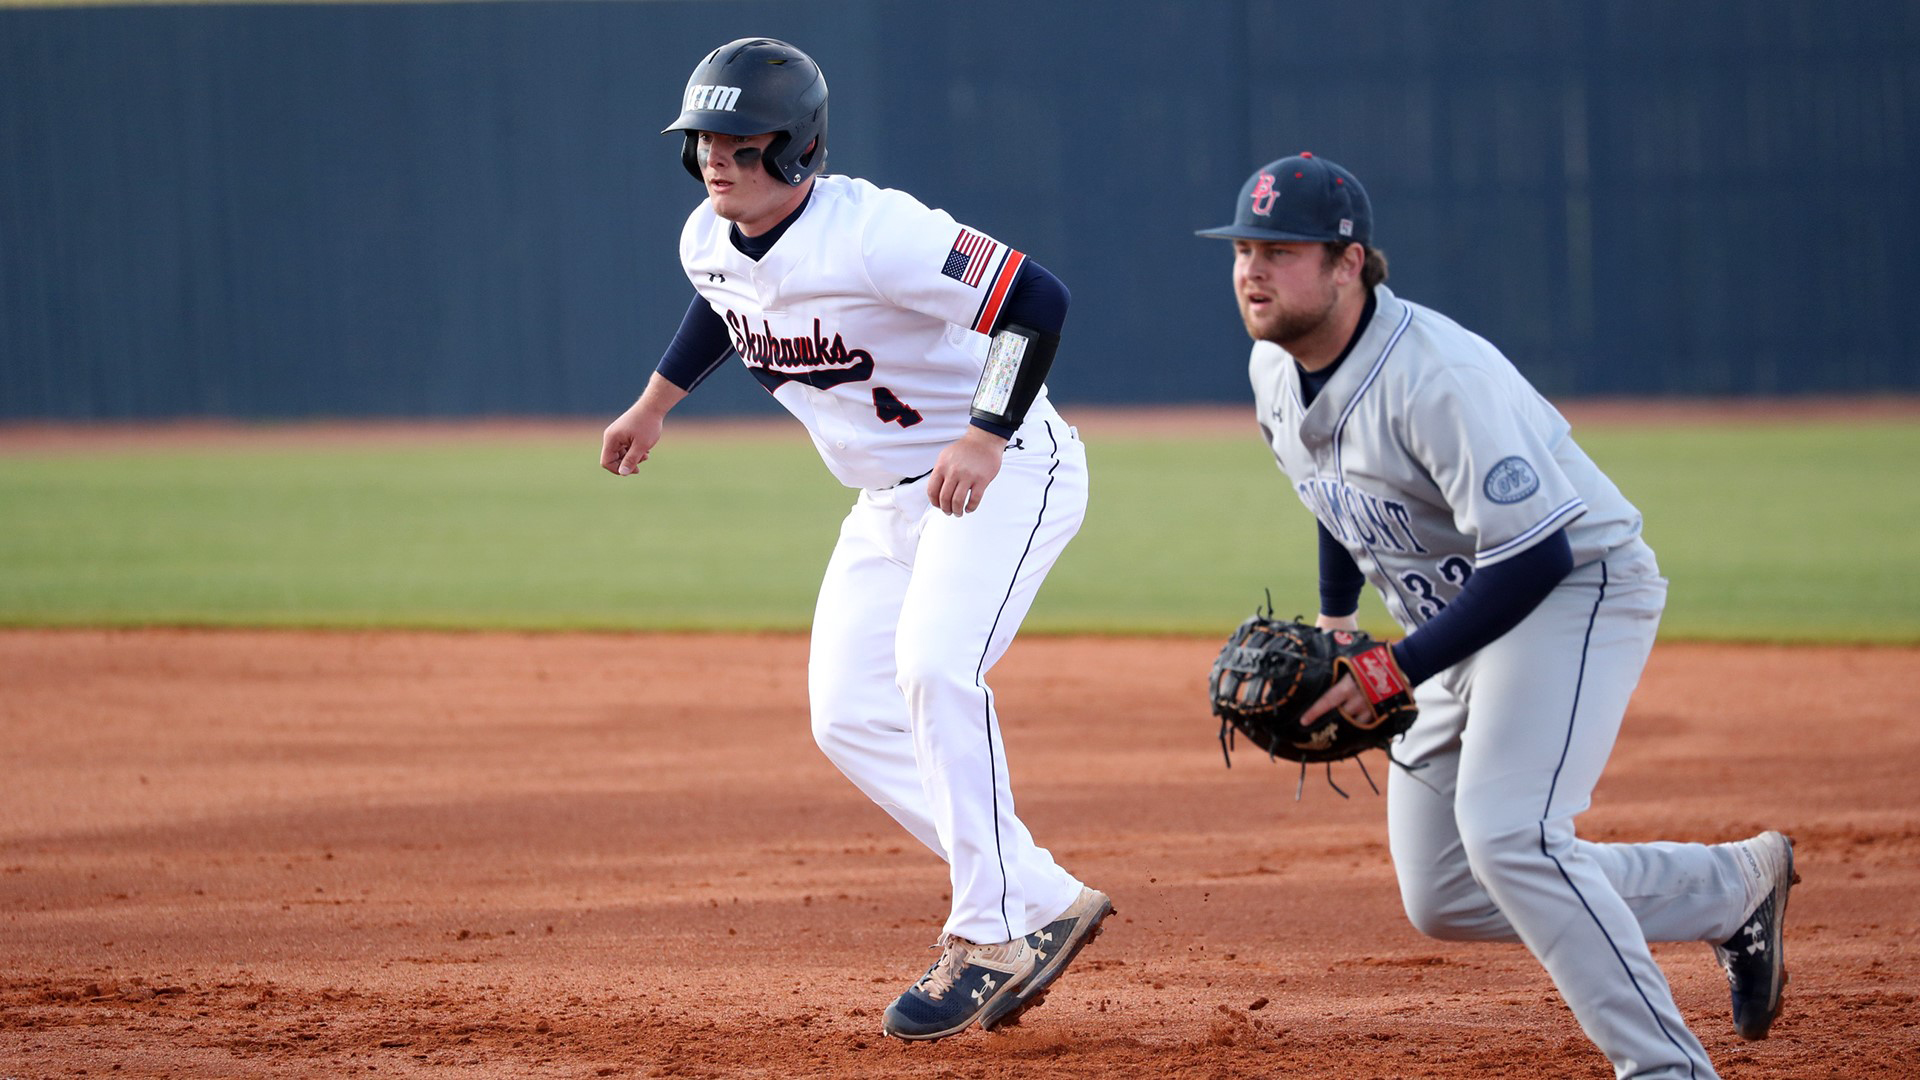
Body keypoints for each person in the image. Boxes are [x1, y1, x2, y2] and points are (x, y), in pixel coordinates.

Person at [1196, 152, 1796, 1078]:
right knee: (1446, 893)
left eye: (1280, 251)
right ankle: (1727, 891)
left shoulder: (1437, 377)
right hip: (1462, 614)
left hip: (1571, 587)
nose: (1252, 270)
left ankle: (1666, 1069)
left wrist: (1393, 668)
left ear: (1349, 264)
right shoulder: (1274, 366)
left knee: (1514, 837)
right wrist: (1340, 620)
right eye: (1243, 249)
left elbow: (1537, 555)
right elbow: (1334, 491)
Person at [599, 38, 1110, 1042]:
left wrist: (985, 432)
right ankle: (1039, 895)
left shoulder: (879, 233)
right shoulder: (707, 237)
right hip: (885, 501)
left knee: (935, 669)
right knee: (847, 715)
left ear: (796, 147)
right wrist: (655, 403)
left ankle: (992, 934)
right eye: (704, 139)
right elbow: (725, 301)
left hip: (1002, 473)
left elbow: (1037, 298)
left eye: (741, 140)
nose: (716, 157)